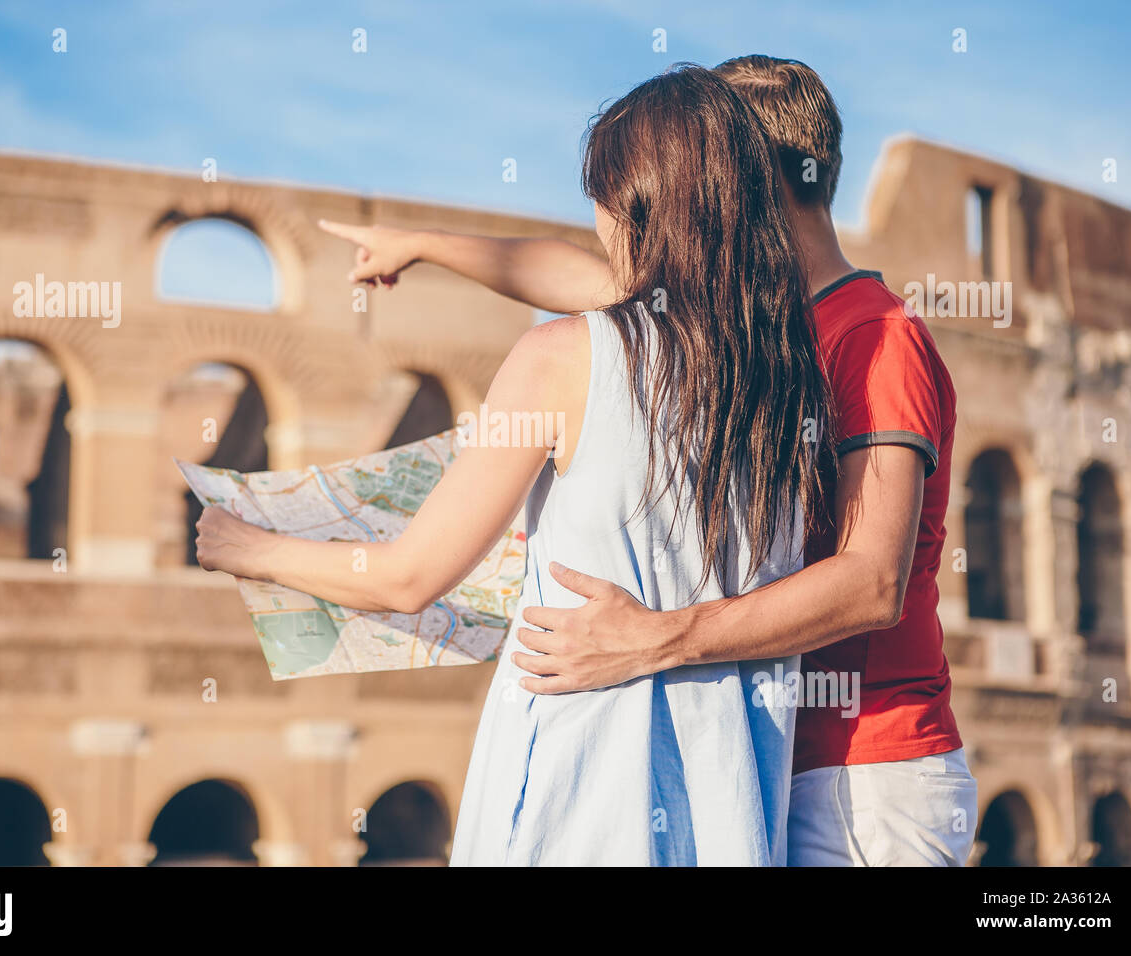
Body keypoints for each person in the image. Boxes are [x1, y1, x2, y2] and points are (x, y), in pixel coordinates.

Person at [317, 55, 977, 867]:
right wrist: (416, 243)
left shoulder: (875, 337)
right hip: (768, 752)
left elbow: (870, 581)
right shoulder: (738, 330)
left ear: (746, 173)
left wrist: (655, 639)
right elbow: (575, 275)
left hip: (864, 776)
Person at [196, 64, 834, 865]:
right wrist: (423, 244)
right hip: (732, 804)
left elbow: (406, 579)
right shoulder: (785, 376)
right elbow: (583, 276)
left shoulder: (563, 358)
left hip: (582, 791)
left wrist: (246, 546)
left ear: (626, 204)